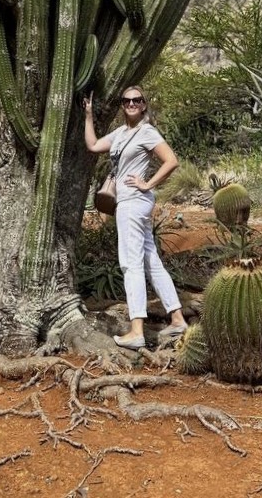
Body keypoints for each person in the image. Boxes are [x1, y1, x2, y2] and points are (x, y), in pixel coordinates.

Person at [83, 86, 187, 349]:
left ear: (143, 105)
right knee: (150, 260)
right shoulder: (120, 133)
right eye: (126, 100)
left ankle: (137, 330)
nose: (131, 104)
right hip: (129, 204)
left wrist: (148, 183)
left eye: (136, 100)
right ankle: (177, 318)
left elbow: (171, 160)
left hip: (134, 202)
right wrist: (87, 116)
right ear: (123, 105)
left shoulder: (147, 131)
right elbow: (93, 145)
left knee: (130, 264)